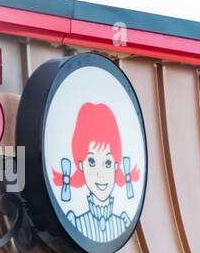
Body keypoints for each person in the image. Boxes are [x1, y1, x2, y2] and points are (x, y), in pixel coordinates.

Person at [51, 102, 139, 244]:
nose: (100, 174)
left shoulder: (123, 222)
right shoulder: (75, 222)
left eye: (108, 163)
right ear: (81, 164)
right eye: (92, 161)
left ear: (117, 165)